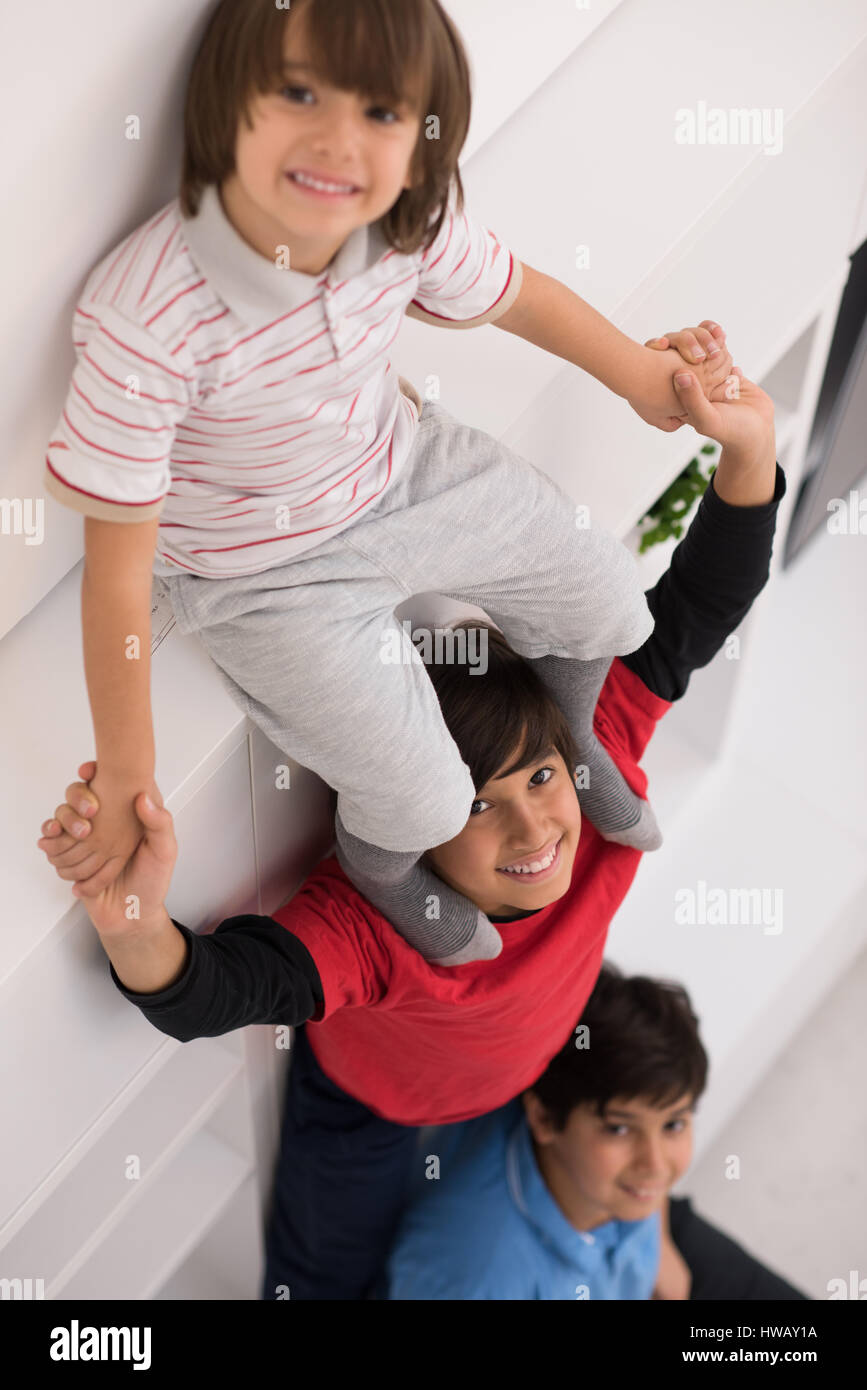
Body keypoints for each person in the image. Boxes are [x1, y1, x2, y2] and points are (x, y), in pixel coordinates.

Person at [38, 359, 784, 1300]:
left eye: (540, 778)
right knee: (322, 1280)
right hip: (371, 1107)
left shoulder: (595, 771)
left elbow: (697, 608)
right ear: (418, 825)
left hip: (526, 1063)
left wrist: (748, 445)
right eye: (476, 804)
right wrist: (132, 923)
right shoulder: (373, 928)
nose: (532, 825)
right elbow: (214, 994)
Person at [41, 0, 736, 966]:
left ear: (418, 143)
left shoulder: (405, 216)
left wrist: (640, 377)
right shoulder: (149, 318)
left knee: (611, 600)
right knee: (423, 798)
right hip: (265, 576)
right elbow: (113, 574)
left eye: (381, 114)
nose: (337, 138)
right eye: (296, 93)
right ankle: (385, 869)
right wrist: (127, 774)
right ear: (221, 101)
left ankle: (577, 736)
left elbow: (515, 294)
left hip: (406, 465)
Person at [385, 962, 809, 1300]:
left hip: (627, 1233)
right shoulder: (472, 1276)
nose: (657, 1163)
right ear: (545, 1120)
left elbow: (650, 1164)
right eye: (620, 1130)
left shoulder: (627, 1172)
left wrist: (661, 1252)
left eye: (674, 1124)